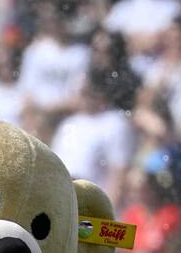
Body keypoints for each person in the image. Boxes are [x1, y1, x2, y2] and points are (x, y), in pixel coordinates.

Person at [50, 70, 134, 203]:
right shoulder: (70, 123)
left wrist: (108, 211)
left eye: (87, 93)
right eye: (81, 93)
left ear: (100, 94)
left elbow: (118, 171)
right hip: (64, 197)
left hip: (93, 201)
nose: (82, 97)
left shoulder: (115, 123)